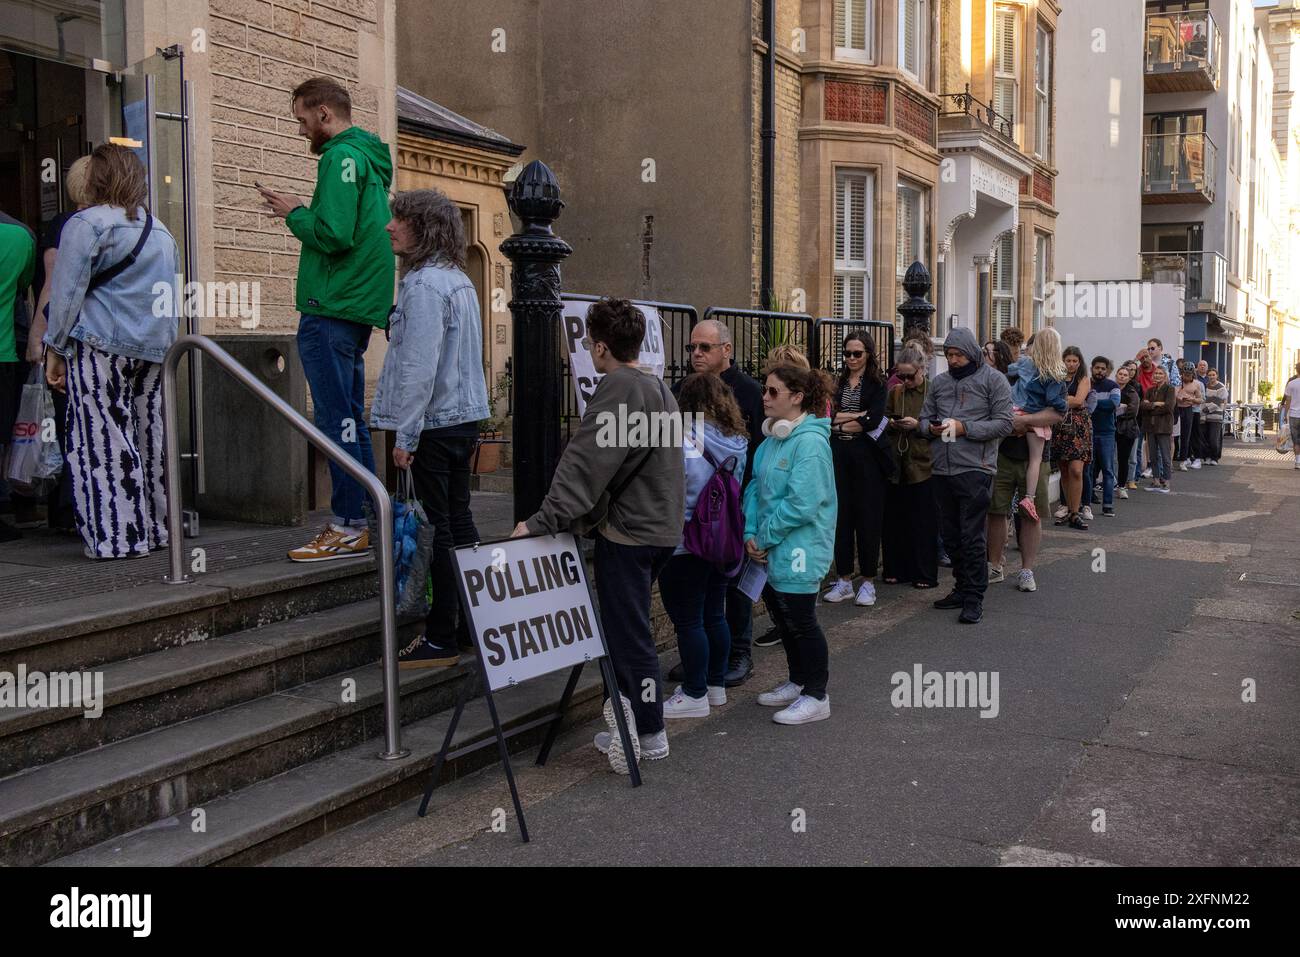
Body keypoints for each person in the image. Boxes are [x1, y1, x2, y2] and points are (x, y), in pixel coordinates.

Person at [514, 298, 684, 772]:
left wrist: (541, 521)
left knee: (628, 635)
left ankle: (647, 732)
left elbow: (585, 466)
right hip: (661, 529)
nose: (588, 349)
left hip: (629, 535)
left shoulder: (617, 388)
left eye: (590, 343)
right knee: (632, 631)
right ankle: (634, 725)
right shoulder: (657, 387)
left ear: (602, 347)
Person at [259, 77, 395, 563]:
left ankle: (349, 524)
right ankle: (368, 518)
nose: (301, 131)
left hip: (330, 309)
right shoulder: (369, 161)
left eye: (301, 119)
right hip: (354, 310)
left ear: (323, 114)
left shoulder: (341, 157)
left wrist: (294, 212)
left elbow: (334, 235)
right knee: (350, 419)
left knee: (337, 422)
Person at [369, 189, 490, 669]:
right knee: (459, 523)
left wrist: (406, 438)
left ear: (424, 227)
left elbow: (420, 369)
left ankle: (440, 634)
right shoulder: (459, 281)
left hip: (434, 425)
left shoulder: (422, 288)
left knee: (436, 529)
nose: (389, 227)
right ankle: (470, 627)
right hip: (463, 419)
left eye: (399, 219)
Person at [42, 144, 179, 558]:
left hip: (99, 343)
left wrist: (55, 347)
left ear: (96, 178)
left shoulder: (85, 223)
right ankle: (157, 531)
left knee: (101, 439)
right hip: (153, 349)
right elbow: (168, 297)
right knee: (150, 438)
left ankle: (117, 538)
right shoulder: (160, 230)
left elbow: (66, 294)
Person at [669, 319, 765, 687]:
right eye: (692, 347)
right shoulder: (682, 389)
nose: (696, 354)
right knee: (705, 607)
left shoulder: (749, 391)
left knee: (731, 595)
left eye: (704, 347)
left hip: (734, 510)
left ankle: (738, 655)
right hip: (698, 518)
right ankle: (704, 661)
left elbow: (757, 451)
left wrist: (749, 508)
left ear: (726, 349)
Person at [744, 364, 837, 724]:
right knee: (783, 618)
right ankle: (798, 681)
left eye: (773, 392)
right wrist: (750, 534)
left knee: (801, 620)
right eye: (764, 390)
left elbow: (802, 503)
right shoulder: (771, 441)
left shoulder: (810, 444)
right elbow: (754, 489)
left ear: (797, 398)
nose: (764, 398)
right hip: (770, 548)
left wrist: (763, 537)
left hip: (799, 548)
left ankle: (817, 694)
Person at [658, 373, 748, 718]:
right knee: (715, 613)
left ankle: (694, 692)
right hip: (724, 537)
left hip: (687, 539)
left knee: (688, 620)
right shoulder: (737, 439)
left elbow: (675, 488)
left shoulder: (682, 439)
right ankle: (715, 685)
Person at [921, 327, 1013, 625]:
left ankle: (974, 598)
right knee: (950, 535)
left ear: (971, 353)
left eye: (958, 354)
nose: (953, 359)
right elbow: (924, 419)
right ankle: (961, 588)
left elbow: (1004, 424)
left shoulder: (994, 380)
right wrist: (929, 428)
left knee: (972, 536)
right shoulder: (939, 383)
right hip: (941, 468)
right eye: (948, 355)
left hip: (976, 468)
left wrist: (965, 428)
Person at [822, 334, 891, 607]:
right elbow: (826, 417)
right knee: (842, 517)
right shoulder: (837, 383)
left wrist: (847, 421)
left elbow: (874, 420)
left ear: (868, 355)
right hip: (839, 454)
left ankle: (868, 582)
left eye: (857, 353)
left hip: (868, 457)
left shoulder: (876, 383)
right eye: (847, 353)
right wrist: (856, 417)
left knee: (868, 519)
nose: (851, 359)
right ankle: (844, 580)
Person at [987, 368, 1063, 595]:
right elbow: (996, 417)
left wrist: (1023, 420)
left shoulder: (1053, 376)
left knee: (1031, 514)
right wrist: (1018, 424)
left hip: (1035, 461)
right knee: (996, 511)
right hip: (1004, 456)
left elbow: (1058, 414)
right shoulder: (1008, 376)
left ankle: (1027, 570)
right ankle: (994, 565)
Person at [883, 346, 938, 589]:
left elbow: (942, 426)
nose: (905, 381)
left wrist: (918, 425)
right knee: (895, 521)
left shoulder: (933, 392)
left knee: (923, 523)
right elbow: (882, 421)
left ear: (922, 370)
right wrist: (894, 425)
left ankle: (924, 573)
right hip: (898, 463)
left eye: (910, 376)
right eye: (901, 376)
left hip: (925, 464)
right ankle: (896, 569)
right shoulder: (895, 392)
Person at [1006, 327, 1067, 522]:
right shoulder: (1055, 372)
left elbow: (1010, 369)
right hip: (1035, 414)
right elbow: (1052, 400)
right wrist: (1063, 405)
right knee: (1035, 460)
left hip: (1015, 409)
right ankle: (1029, 498)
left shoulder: (1025, 362)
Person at [1051, 346, 1093, 529]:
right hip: (1059, 425)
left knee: (1076, 469)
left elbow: (1078, 400)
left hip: (1078, 426)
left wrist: (1061, 399)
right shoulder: (1056, 377)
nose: (1071, 364)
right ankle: (1069, 510)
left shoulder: (1083, 378)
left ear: (1079, 362)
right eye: (1068, 360)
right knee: (1064, 469)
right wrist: (1067, 398)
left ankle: (1076, 512)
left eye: (1075, 361)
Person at [1085, 356, 1121, 518]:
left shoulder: (1113, 386)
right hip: (1088, 431)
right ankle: (1086, 503)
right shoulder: (1086, 384)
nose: (1100, 371)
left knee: (1107, 470)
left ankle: (1108, 504)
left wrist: (1091, 403)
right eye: (1097, 368)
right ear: (1092, 368)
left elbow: (1113, 404)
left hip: (1107, 432)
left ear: (1107, 370)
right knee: (1088, 469)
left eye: (1103, 368)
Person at [1141, 365, 1176, 492]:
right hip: (1150, 427)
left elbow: (1168, 407)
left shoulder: (1170, 389)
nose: (1158, 375)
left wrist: (1150, 407)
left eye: (1160, 373)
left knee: (1166, 456)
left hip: (1164, 427)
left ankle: (1166, 482)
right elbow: (1142, 406)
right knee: (1153, 456)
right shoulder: (1150, 390)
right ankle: (1155, 481)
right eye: (1156, 373)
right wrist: (1155, 404)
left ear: (1165, 376)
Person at [1115, 363, 1142, 499]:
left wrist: (1116, 410)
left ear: (1128, 378)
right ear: (1116, 375)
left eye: (1125, 375)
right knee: (1108, 459)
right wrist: (1120, 407)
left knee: (1123, 459)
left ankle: (1121, 486)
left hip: (1127, 430)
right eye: (1120, 374)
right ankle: (1111, 483)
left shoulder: (1132, 392)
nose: (1123, 376)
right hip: (1111, 428)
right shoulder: (1111, 389)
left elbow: (1132, 411)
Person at [1174, 364, 1204, 472]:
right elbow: (1173, 394)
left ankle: (1183, 460)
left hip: (1188, 409)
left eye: (1188, 375)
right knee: (1174, 436)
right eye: (1184, 374)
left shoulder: (1196, 384)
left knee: (1186, 436)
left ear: (1192, 374)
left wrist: (1192, 399)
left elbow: (1201, 399)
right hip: (1177, 409)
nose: (1186, 377)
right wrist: (1178, 397)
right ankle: (1173, 458)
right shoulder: (1178, 381)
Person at [1201, 368, 1228, 465]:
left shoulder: (1221, 387)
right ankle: (1207, 457)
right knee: (1206, 438)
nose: (1211, 377)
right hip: (1206, 417)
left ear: (1217, 376)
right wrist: (1203, 412)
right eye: (1210, 375)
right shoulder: (1205, 386)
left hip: (1216, 417)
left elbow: (1219, 401)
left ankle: (1214, 458)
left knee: (1214, 439)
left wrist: (1206, 409)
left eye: (1213, 375)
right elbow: (1203, 399)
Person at [1282, 362, 1300, 470]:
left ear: (1296, 370)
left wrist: (1285, 414)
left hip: (1294, 415)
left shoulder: (1291, 383)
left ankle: (1298, 462)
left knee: (1296, 440)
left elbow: (1288, 400)